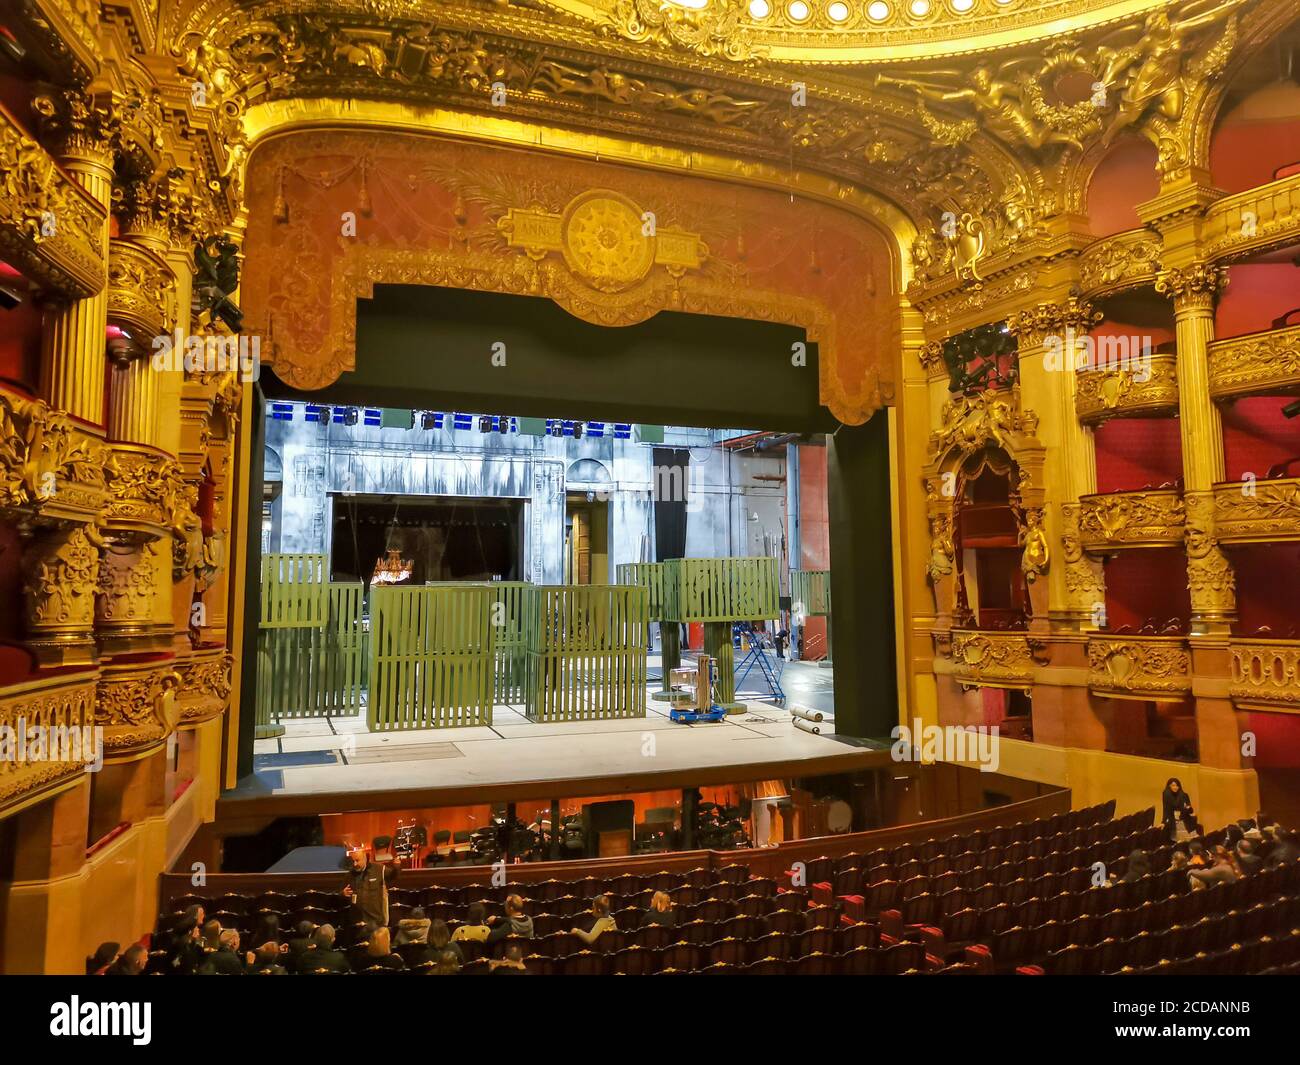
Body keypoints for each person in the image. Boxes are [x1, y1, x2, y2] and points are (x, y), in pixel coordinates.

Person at [342, 847, 398, 929]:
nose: (355, 864)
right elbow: (339, 894)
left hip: (375, 921)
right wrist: (343, 893)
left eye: (357, 861)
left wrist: (397, 867)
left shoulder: (378, 869)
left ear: (365, 858)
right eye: (353, 861)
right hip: (357, 923)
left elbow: (393, 876)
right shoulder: (349, 875)